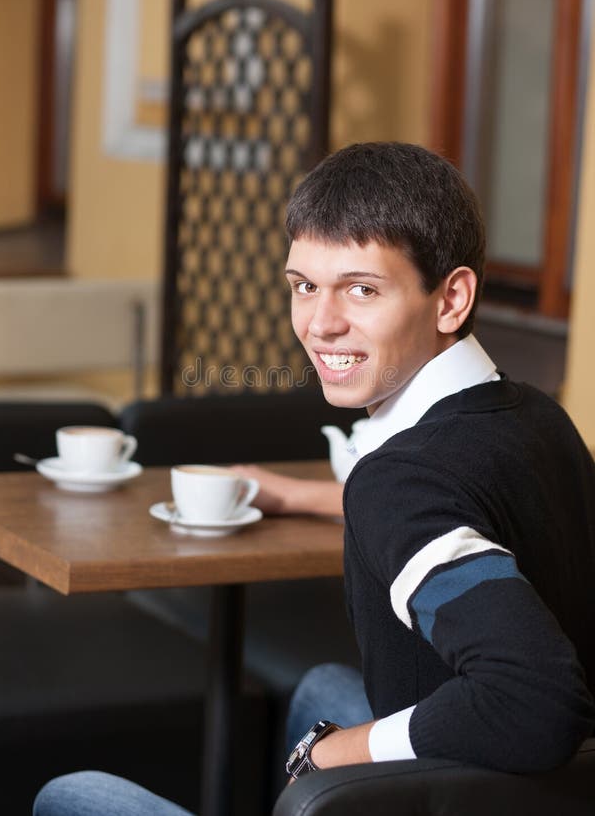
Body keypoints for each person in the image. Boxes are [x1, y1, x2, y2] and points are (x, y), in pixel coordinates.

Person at [33, 143, 595, 815]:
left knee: (72, 795)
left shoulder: (398, 483)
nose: (320, 323)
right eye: (304, 285)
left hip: (460, 796)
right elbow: (453, 508)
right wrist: (298, 494)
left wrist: (334, 753)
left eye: (362, 288)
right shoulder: (539, 418)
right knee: (324, 686)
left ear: (451, 298)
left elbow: (537, 698)